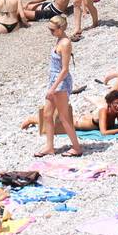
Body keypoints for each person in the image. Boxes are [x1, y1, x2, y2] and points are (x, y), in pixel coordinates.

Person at [35, 16, 82, 157]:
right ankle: (49, 146)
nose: (50, 32)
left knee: (63, 116)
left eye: (52, 30)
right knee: (47, 115)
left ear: (61, 29)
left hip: (60, 83)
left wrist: (53, 88)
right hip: (54, 81)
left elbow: (65, 69)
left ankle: (77, 147)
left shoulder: (66, 43)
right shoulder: (59, 40)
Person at [22, 90, 118, 136]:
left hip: (81, 121)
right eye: (116, 103)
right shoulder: (103, 111)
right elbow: (104, 133)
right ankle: (32, 119)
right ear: (109, 103)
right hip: (77, 122)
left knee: (54, 119)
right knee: (51, 121)